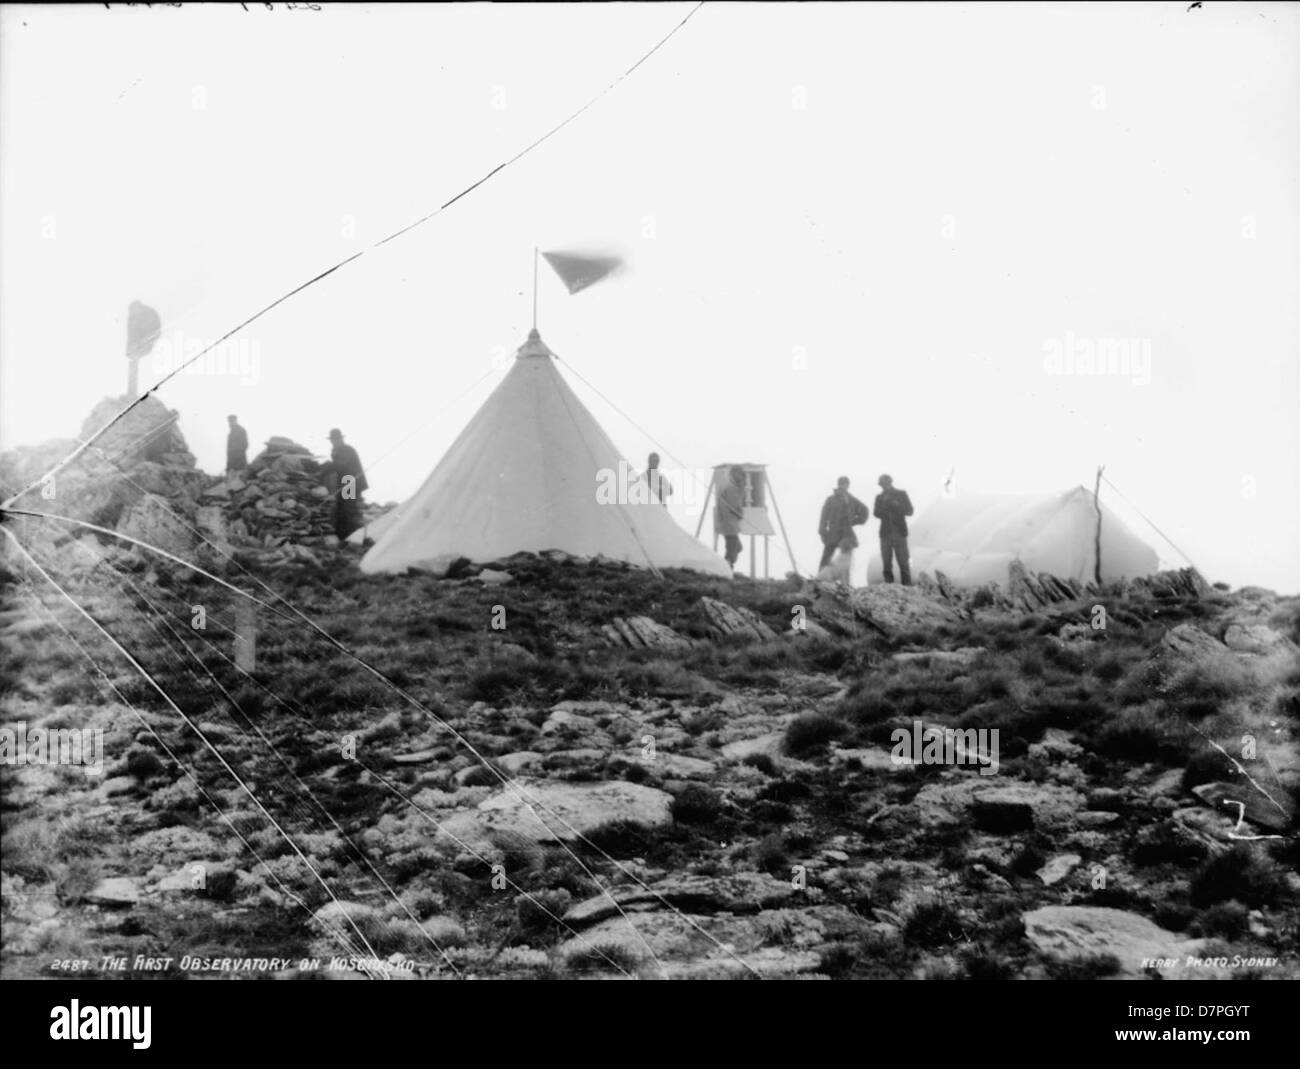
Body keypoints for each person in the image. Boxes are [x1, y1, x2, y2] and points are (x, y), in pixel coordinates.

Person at [322, 428, 369, 540]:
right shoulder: (338, 450)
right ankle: (344, 537)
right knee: (342, 509)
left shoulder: (346, 450)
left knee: (349, 509)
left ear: (340, 439)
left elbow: (339, 465)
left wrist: (324, 468)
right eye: (332, 440)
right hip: (346, 482)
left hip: (350, 481)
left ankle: (351, 537)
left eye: (335, 439)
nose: (333, 442)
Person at [818, 476, 869, 571]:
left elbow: (864, 511)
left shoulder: (852, 500)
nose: (843, 486)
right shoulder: (831, 500)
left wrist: (854, 522)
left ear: (848, 485)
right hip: (833, 531)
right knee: (826, 557)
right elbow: (824, 517)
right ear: (838, 484)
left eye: (845, 484)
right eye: (841, 484)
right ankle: (820, 578)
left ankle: (845, 583)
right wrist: (823, 532)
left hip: (847, 533)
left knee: (846, 560)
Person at [874, 474, 914, 585]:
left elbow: (910, 511)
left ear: (890, 482)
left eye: (885, 484)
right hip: (885, 534)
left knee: (904, 564)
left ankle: (908, 588)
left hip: (899, 533)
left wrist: (897, 505)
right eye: (882, 485)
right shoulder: (879, 497)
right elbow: (876, 513)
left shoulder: (901, 494)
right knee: (886, 564)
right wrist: (885, 505)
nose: (884, 486)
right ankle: (889, 588)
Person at [715, 465, 747, 571]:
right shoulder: (731, 487)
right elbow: (734, 507)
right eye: (741, 475)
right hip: (730, 523)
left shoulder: (726, 483)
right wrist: (740, 513)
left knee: (737, 547)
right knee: (732, 549)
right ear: (734, 473)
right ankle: (727, 568)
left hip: (727, 522)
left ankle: (726, 566)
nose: (742, 477)